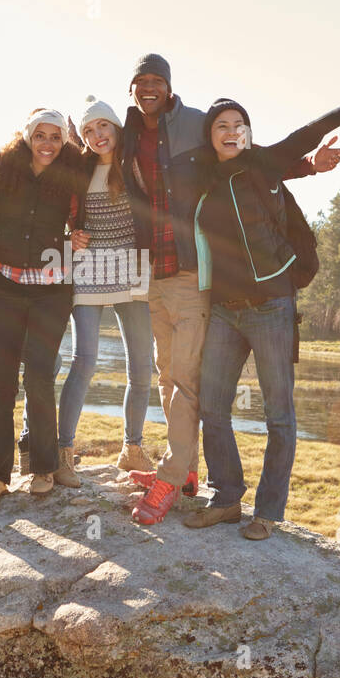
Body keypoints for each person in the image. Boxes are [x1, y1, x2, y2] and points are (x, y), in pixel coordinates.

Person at [187, 80, 340, 539]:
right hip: (223, 310)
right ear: (209, 136)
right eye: (221, 126)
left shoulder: (265, 163)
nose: (231, 132)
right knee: (212, 407)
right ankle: (227, 497)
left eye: (239, 125)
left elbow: (312, 131)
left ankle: (268, 512)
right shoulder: (199, 178)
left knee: (279, 414)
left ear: (249, 133)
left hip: (272, 306)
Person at [115, 54, 215, 525]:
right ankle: (186, 469)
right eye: (140, 81)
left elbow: (250, 154)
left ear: (170, 87)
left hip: (191, 272)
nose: (148, 87)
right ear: (132, 88)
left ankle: (171, 477)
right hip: (153, 270)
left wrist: (308, 165)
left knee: (185, 380)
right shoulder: (130, 132)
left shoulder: (196, 123)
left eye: (156, 81)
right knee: (164, 373)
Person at [0, 109, 87, 507]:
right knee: (1, 381)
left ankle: (43, 467)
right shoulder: (5, 172)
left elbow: (86, 211)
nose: (48, 144)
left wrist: (80, 233)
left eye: (56, 137)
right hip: (3, 286)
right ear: (26, 138)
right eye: (41, 135)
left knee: (38, 377)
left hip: (51, 292)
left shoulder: (73, 176)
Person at [53, 96, 156, 483]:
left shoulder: (137, 166)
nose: (98, 135)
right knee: (85, 360)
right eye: (90, 130)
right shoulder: (78, 171)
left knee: (142, 367)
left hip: (132, 271)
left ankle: (131, 448)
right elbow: (56, 213)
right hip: (89, 271)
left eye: (103, 127)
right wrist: (69, 235)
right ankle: (64, 452)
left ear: (116, 128)